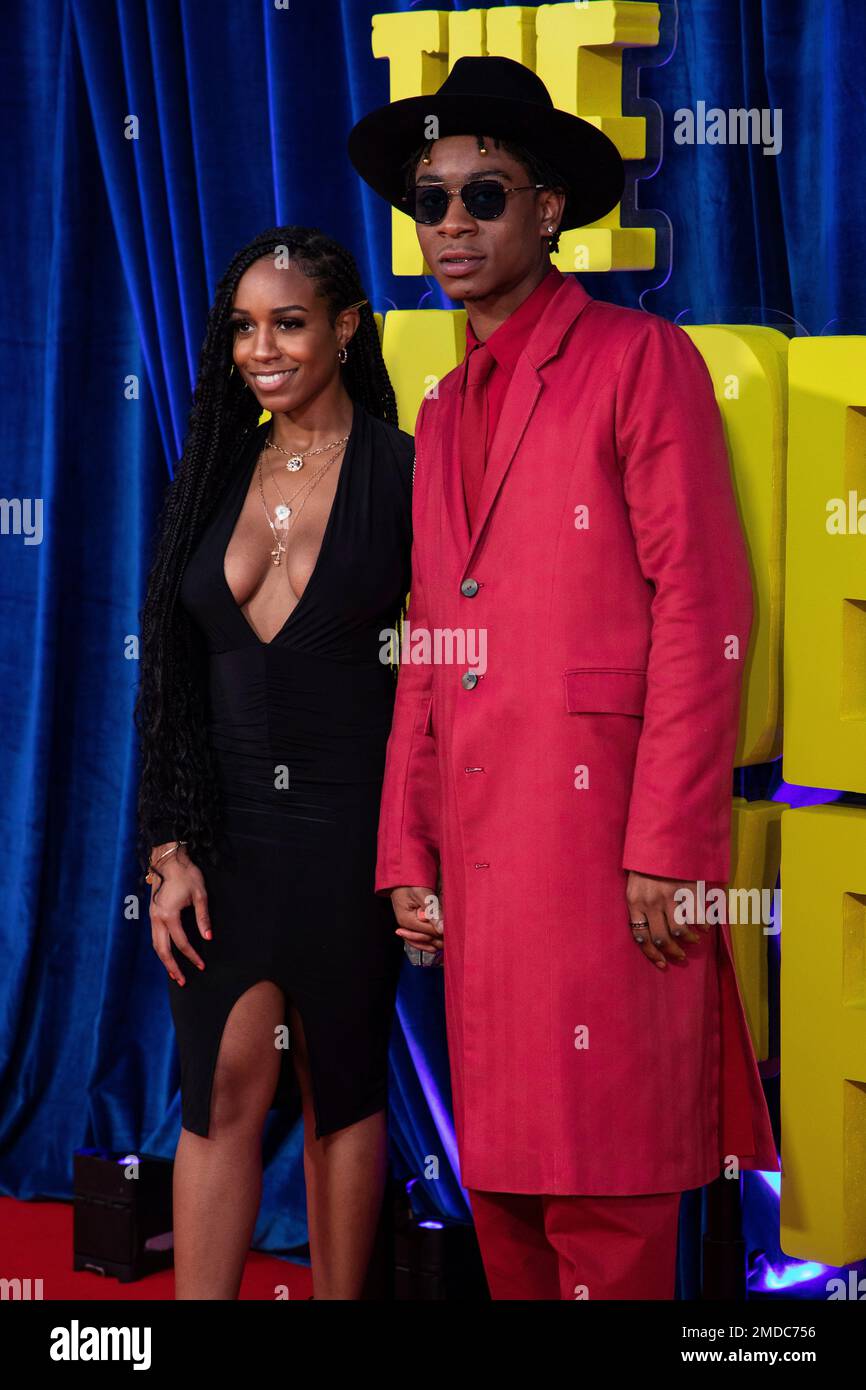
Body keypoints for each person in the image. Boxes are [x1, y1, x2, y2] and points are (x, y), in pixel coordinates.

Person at [348, 56, 780, 1300]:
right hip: (480, 873)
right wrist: (403, 849)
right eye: (429, 201)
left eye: (482, 194)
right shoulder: (434, 411)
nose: (449, 226)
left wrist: (669, 843)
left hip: (608, 860)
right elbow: (431, 634)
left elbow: (707, 608)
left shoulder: (639, 359)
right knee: (509, 1203)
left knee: (614, 1194)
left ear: (550, 209)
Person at [135, 227, 413, 1300]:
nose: (262, 347)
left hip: (352, 834)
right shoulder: (210, 470)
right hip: (224, 842)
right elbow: (164, 672)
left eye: (288, 322)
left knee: (342, 1092)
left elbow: (441, 677)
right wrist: (169, 847)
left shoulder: (404, 471)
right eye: (243, 326)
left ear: (345, 327)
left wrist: (418, 848)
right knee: (221, 1091)